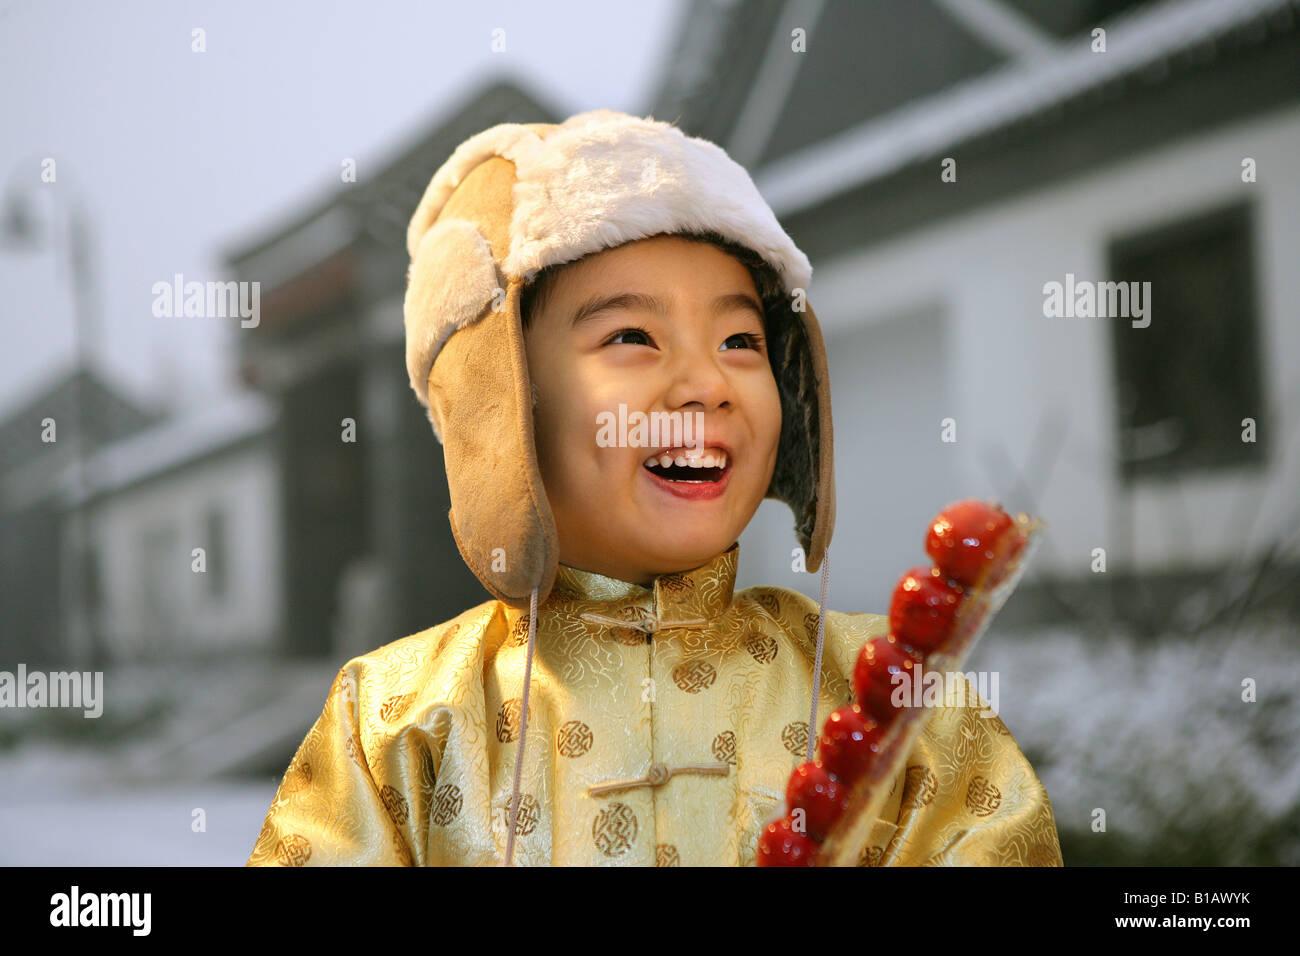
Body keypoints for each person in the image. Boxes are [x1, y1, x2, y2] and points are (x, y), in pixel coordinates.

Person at [246, 109, 1063, 867]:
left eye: (741, 339)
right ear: (502, 400)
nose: (706, 383)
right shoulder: (395, 724)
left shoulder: (895, 702)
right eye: (632, 336)